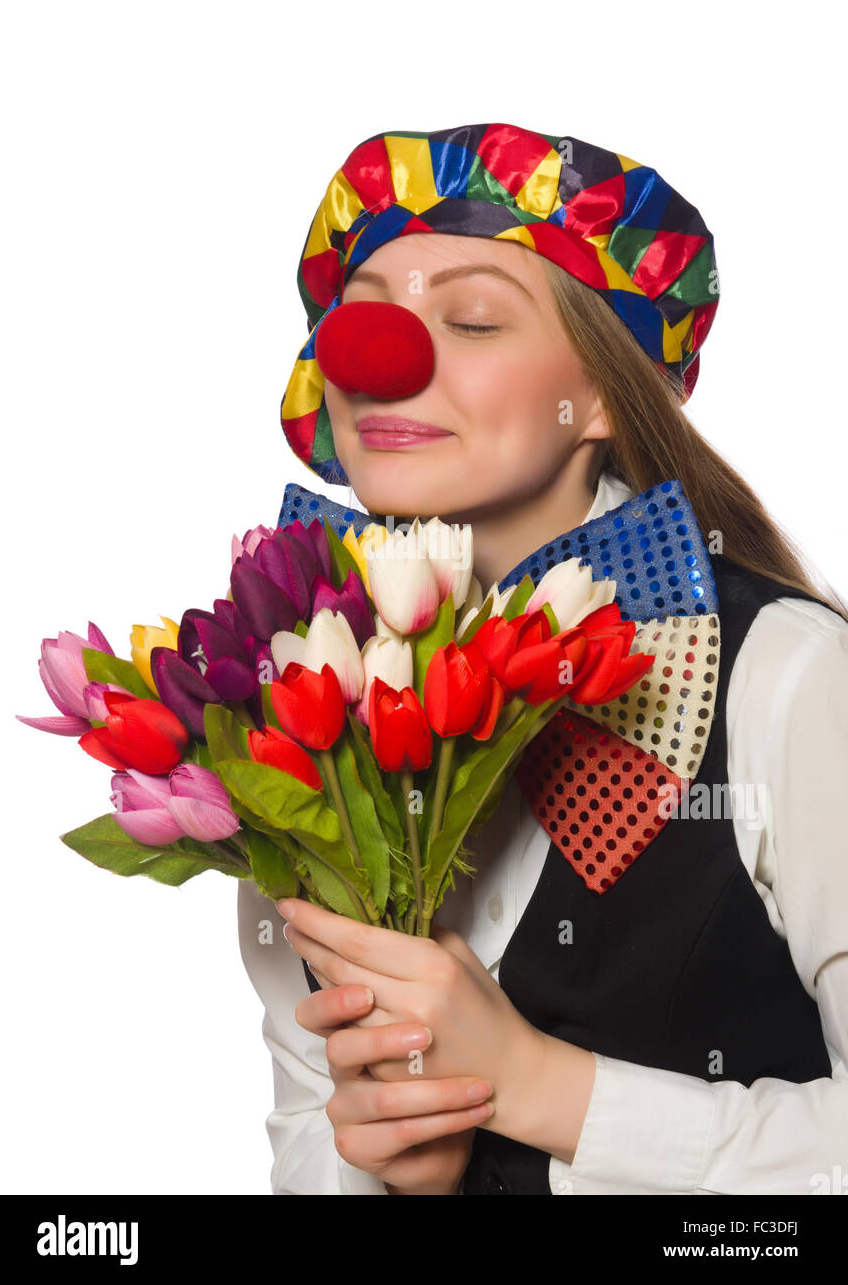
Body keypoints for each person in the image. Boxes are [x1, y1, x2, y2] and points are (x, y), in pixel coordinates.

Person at [237, 122, 848, 1195]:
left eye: (471, 318)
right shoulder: (312, 698)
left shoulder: (789, 678)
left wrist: (535, 1086)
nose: (383, 359)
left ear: (605, 395)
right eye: (365, 314)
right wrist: (389, 1174)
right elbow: (305, 1132)